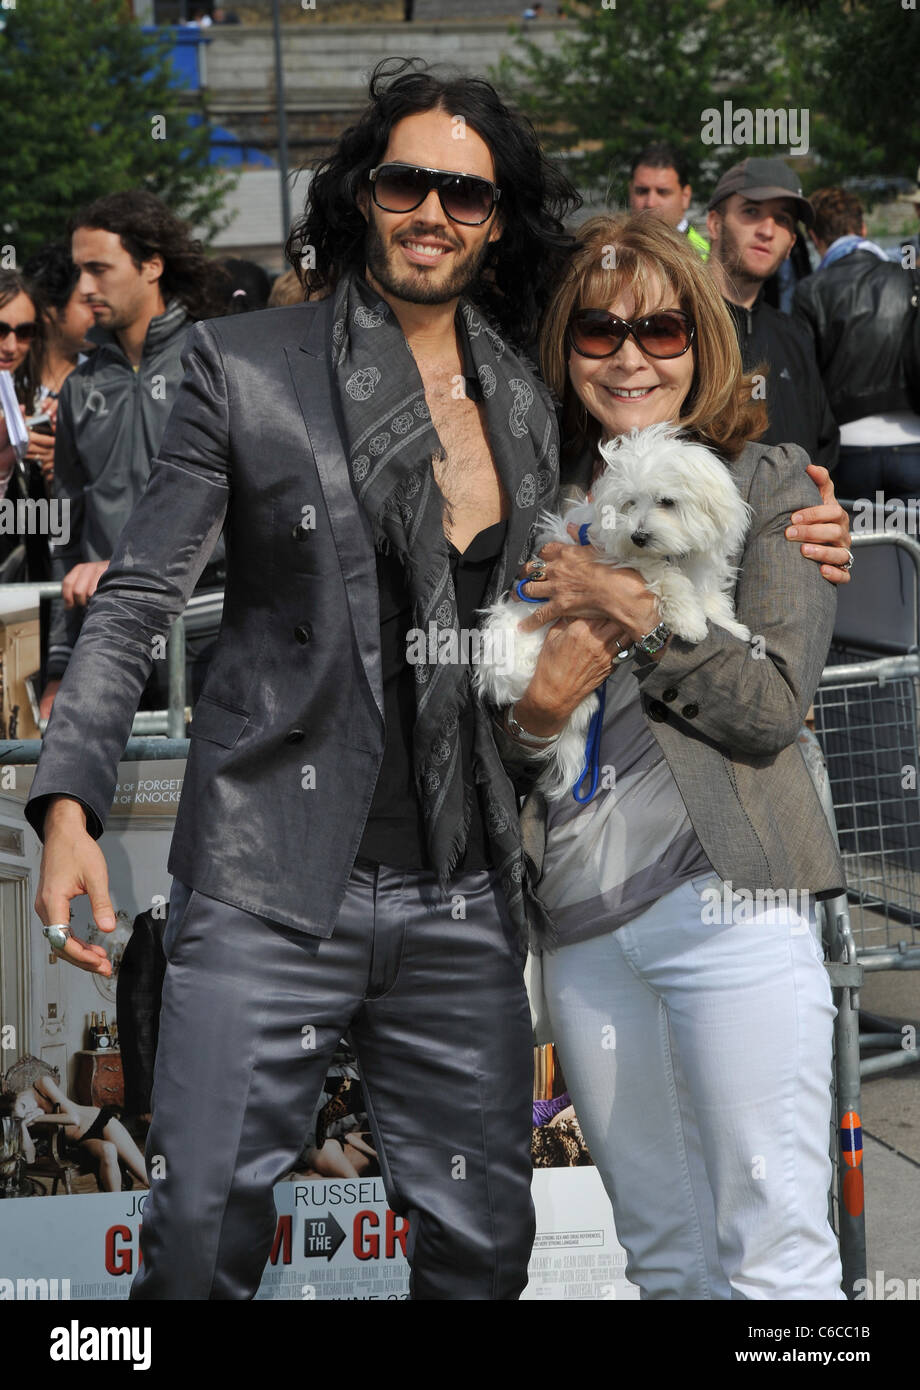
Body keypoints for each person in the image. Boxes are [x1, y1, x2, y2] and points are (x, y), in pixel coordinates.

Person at [27, 58, 581, 1302]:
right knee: (196, 1239)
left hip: (462, 886)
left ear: (496, 225)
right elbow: (135, 606)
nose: (431, 212)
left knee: (485, 1245)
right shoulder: (250, 365)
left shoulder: (523, 398)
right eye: (405, 181)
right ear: (360, 192)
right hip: (268, 879)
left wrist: (785, 516)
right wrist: (70, 807)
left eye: (465, 194)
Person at [494, 213, 851, 1299]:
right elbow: (479, 735)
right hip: (581, 928)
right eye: (599, 328)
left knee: (775, 1255)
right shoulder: (515, 499)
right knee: (663, 1260)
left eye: (659, 327)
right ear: (564, 346)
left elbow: (768, 707)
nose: (630, 354)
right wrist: (533, 726)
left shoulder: (773, 481)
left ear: (702, 339)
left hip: (730, 904)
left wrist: (630, 606)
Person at [41, 190, 228, 717]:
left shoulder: (217, 364)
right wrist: (59, 666)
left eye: (99, 268)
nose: (84, 287)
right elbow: (65, 539)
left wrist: (126, 567)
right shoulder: (79, 387)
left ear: (152, 266)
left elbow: (250, 513)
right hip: (111, 647)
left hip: (213, 643)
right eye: (79, 271)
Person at [706, 157, 839, 475]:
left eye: (782, 219)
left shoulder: (796, 336)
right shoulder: (671, 326)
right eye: (751, 211)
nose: (767, 230)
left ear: (792, 242)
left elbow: (824, 448)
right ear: (714, 223)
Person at [793, 186, 920, 501]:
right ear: (863, 228)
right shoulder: (910, 277)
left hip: (847, 450)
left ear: (814, 237)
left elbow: (805, 385)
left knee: (859, 549)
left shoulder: (809, 291)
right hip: (913, 443)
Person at [21, 243, 96, 490]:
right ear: (49, 309)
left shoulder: (106, 379)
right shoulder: (10, 383)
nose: (97, 312)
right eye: (87, 302)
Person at [0, 270, 56, 581]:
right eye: (0, 330)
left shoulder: (33, 402)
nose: (11, 346)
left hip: (24, 593)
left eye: (24, 332)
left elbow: (49, 521)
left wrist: (56, 467)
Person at [14, 1072, 149, 1192]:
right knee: (108, 1149)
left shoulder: (42, 1084)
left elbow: (74, 1118)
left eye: (23, 1106)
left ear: (21, 1099)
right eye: (23, 1114)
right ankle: (114, 1209)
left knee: (145, 1176)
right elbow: (30, 1158)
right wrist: (23, 1125)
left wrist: (38, 1118)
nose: (28, 1112)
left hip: (101, 1122)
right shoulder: (21, 1115)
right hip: (81, 1141)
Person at [626, 141, 709, 259]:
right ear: (630, 191)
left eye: (662, 192)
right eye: (642, 191)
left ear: (685, 196)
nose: (650, 203)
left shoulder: (705, 260)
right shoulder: (608, 251)